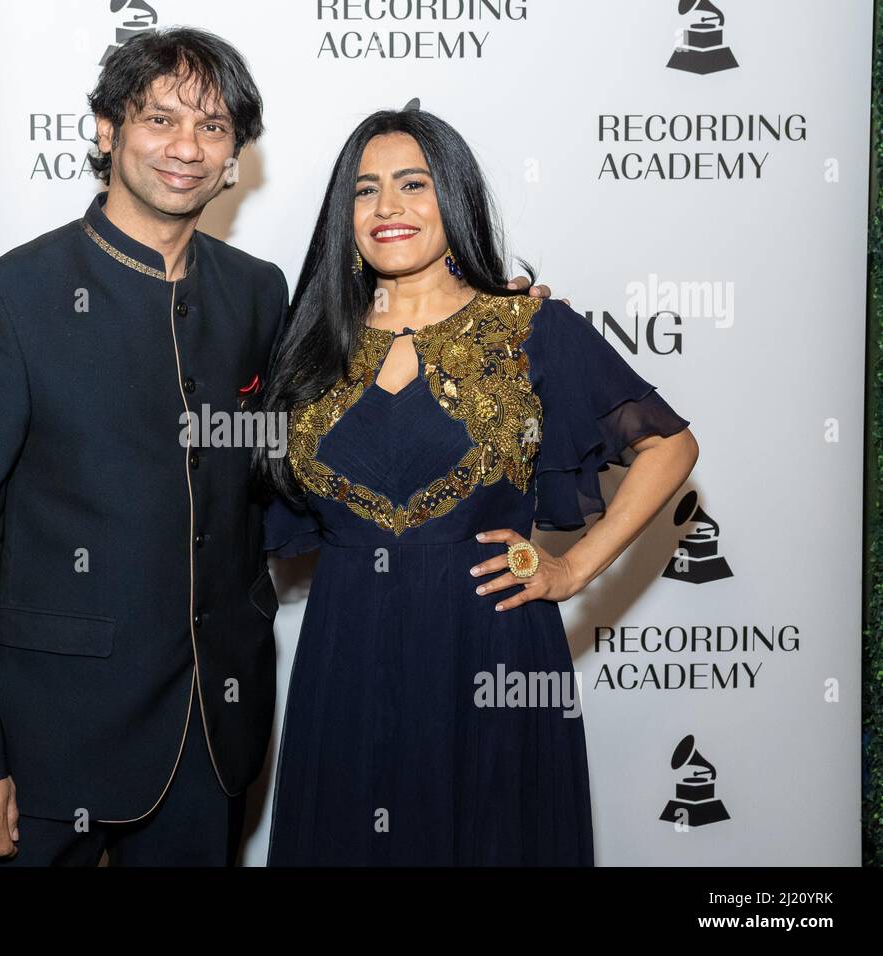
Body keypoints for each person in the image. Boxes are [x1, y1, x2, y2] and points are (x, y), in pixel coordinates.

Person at [0, 27, 550, 867]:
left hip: (215, 737)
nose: (186, 147)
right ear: (105, 130)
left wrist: (494, 320)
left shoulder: (258, 293)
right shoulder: (5, 302)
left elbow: (334, 419)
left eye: (212, 128)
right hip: (43, 748)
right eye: (159, 119)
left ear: (235, 153)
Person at [254, 107, 699, 865]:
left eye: (412, 184)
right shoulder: (310, 344)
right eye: (364, 191)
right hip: (347, 653)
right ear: (344, 215)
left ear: (452, 196)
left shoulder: (531, 329)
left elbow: (670, 445)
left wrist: (574, 568)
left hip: (491, 644)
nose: (388, 208)